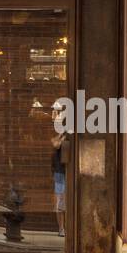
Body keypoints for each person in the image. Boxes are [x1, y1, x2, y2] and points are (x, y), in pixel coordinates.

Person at [50, 100, 70, 238]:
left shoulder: (69, 131)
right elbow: (55, 144)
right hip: (60, 171)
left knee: (67, 201)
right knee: (60, 201)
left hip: (68, 171)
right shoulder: (61, 132)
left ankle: (67, 228)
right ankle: (61, 228)